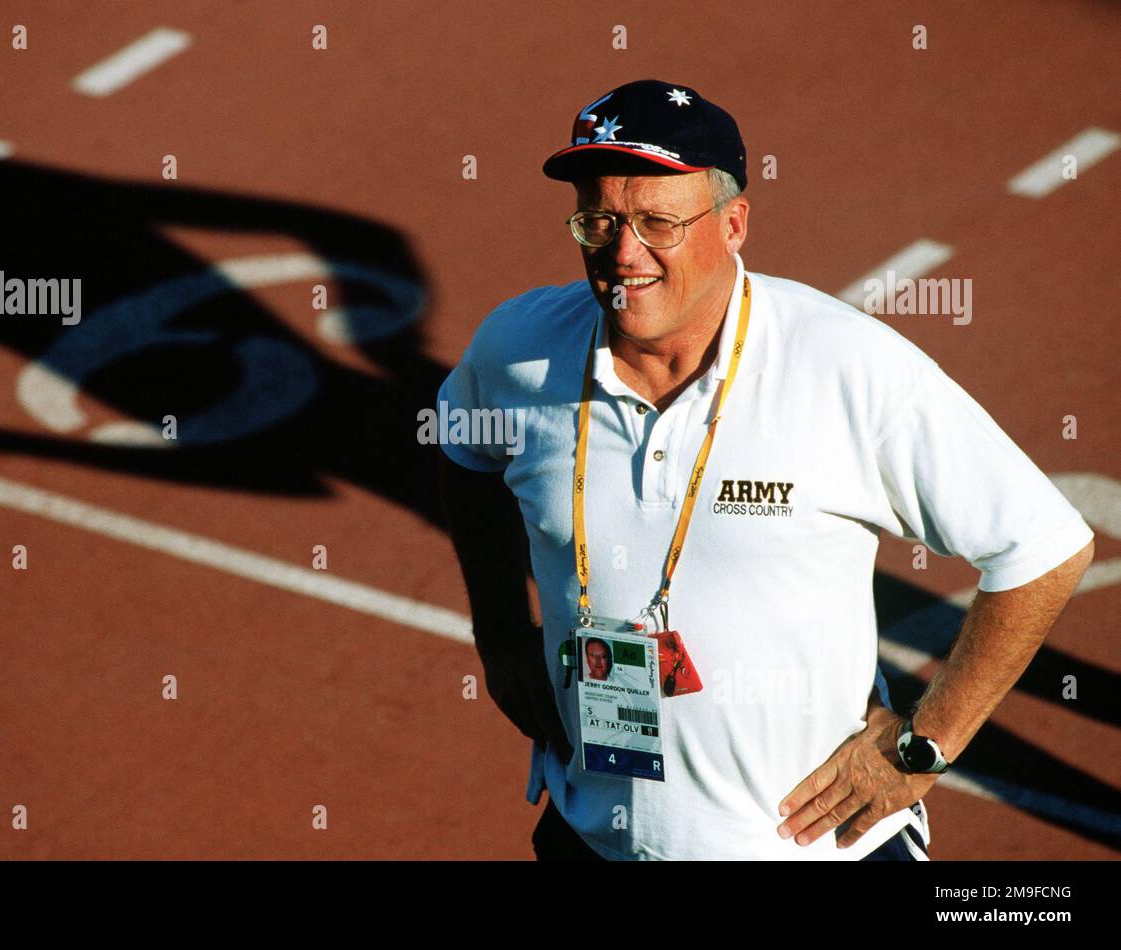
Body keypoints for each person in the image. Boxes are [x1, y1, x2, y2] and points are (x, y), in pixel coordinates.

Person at [436, 78, 1094, 861]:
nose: (623, 253)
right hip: (591, 836)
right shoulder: (518, 351)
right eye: (599, 220)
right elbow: (461, 453)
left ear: (734, 223)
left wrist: (919, 747)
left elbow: (1044, 547)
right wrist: (504, 638)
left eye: (657, 223)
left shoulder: (845, 367)